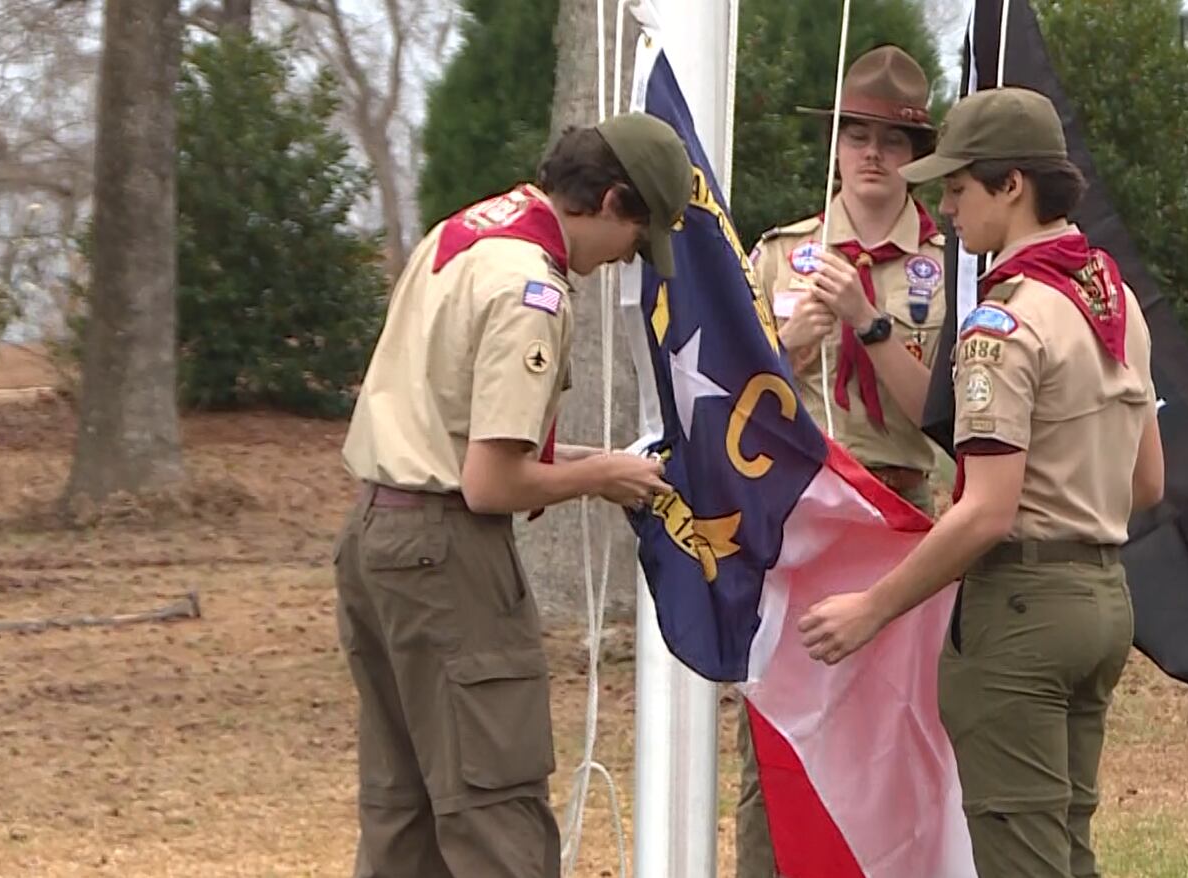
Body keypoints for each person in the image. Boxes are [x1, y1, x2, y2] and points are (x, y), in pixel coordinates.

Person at [795, 86, 1165, 878]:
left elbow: (988, 511)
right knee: (1066, 845)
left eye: (959, 188)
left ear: (1012, 186)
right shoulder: (1116, 301)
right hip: (1102, 597)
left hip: (1021, 611)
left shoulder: (1005, 321)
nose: (947, 208)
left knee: (1020, 855)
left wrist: (872, 607)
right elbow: (1147, 482)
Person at [331, 113, 692, 878]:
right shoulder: (533, 291)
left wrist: (607, 461)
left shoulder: (464, 234)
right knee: (495, 812)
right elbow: (491, 483)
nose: (625, 258)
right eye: (635, 237)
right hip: (447, 559)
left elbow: (456, 431)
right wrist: (600, 480)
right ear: (611, 201)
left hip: (376, 537)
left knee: (402, 815)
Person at [735, 43, 947, 878]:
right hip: (800, 527)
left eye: (892, 141)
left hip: (899, 521)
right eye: (856, 135)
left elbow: (950, 419)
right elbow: (733, 406)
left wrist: (869, 322)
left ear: (918, 155)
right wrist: (790, 344)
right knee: (782, 740)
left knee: (900, 741)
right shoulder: (779, 255)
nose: (872, 155)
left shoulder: (951, 264)